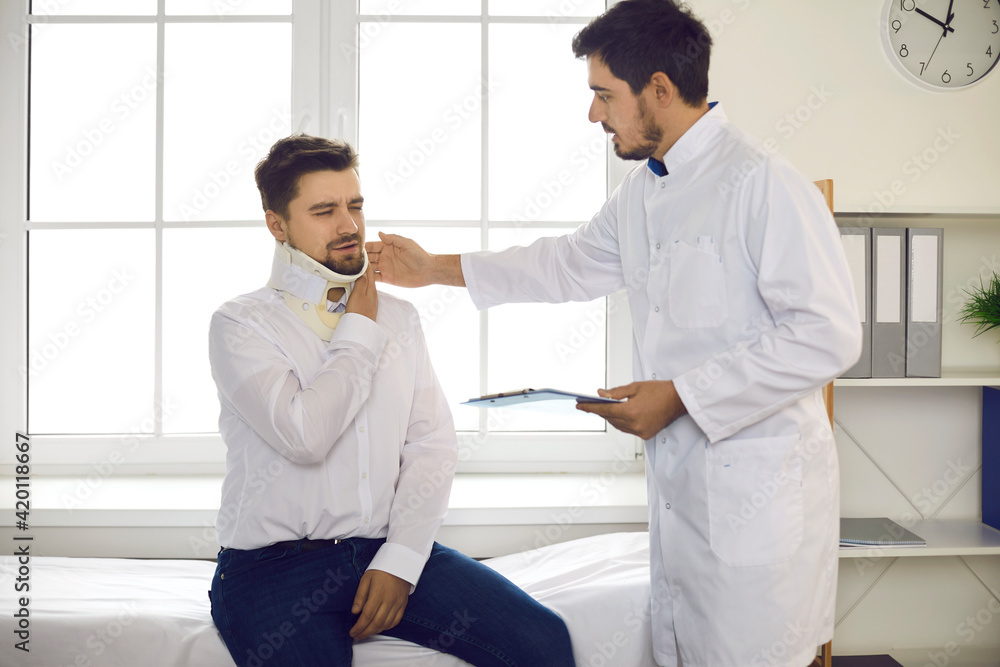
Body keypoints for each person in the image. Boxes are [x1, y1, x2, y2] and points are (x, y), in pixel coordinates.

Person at [367, 1, 862, 665]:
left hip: (758, 513)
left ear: (660, 88)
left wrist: (681, 393)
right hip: (683, 505)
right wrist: (433, 269)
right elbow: (565, 262)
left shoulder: (765, 185)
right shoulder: (644, 192)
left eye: (604, 95)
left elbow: (828, 336)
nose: (593, 115)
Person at [207, 134, 576, 667]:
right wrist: (359, 323)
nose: (349, 225)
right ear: (277, 225)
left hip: (384, 548)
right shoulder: (240, 326)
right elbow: (306, 436)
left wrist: (400, 560)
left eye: (355, 205)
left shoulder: (401, 318)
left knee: (545, 644)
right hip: (271, 571)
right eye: (324, 210)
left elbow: (431, 444)